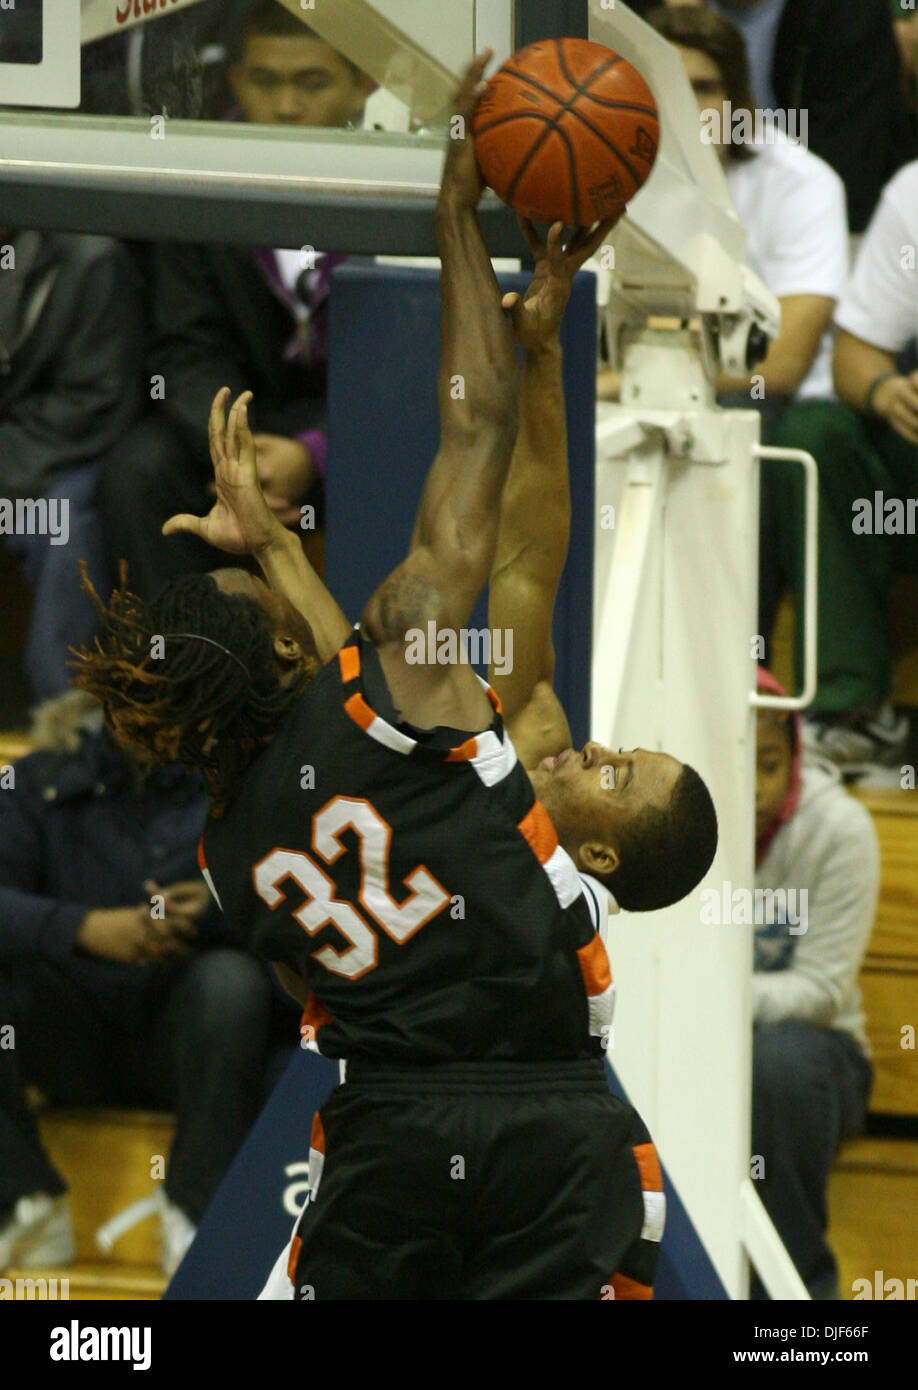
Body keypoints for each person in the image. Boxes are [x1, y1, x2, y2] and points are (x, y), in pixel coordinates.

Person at [75, 55, 718, 1299]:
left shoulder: (234, 841)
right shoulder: (447, 735)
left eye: (618, 770)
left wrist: (275, 551)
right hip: (538, 1142)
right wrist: (502, 301)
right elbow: (499, 556)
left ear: (602, 858)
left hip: (386, 1135)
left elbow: (351, 698)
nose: (593, 748)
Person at [0, 688, 299, 1279]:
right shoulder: (36, 780)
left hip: (190, 1044)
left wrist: (217, 912)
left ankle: (193, 1213)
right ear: (106, 702)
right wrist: (84, 928)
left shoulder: (237, 788)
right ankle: (25, 1202)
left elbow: (302, 919)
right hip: (64, 1040)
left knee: (232, 982)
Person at [99, 1, 377, 601]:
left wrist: (314, 452)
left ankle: (370, 682)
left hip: (350, 435)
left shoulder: (396, 187)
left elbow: (404, 369)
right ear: (234, 80)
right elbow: (185, 348)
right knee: (138, 472)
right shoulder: (203, 185)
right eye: (265, 81)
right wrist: (238, 453)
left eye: (312, 83)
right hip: (234, 432)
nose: (285, 106)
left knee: (410, 462)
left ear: (363, 86)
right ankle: (187, 673)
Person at [751, 667, 878, 1299]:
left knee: (773, 1059)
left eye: (768, 764)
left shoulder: (841, 830)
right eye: (737, 760)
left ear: (796, 755)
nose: (750, 787)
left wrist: (718, 1007)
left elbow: (824, 991)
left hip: (822, 1057)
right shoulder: (678, 820)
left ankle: (799, 1298)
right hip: (718, 1046)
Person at [0, 229, 143, 700]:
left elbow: (90, 405)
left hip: (56, 459)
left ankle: (68, 743)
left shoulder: (92, 258)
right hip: (22, 457)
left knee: (64, 523)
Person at [628, 0, 913, 234]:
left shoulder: (848, 13)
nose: (689, 103)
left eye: (703, 89)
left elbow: (848, 167)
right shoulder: (646, 11)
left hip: (791, 205)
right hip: (654, 179)